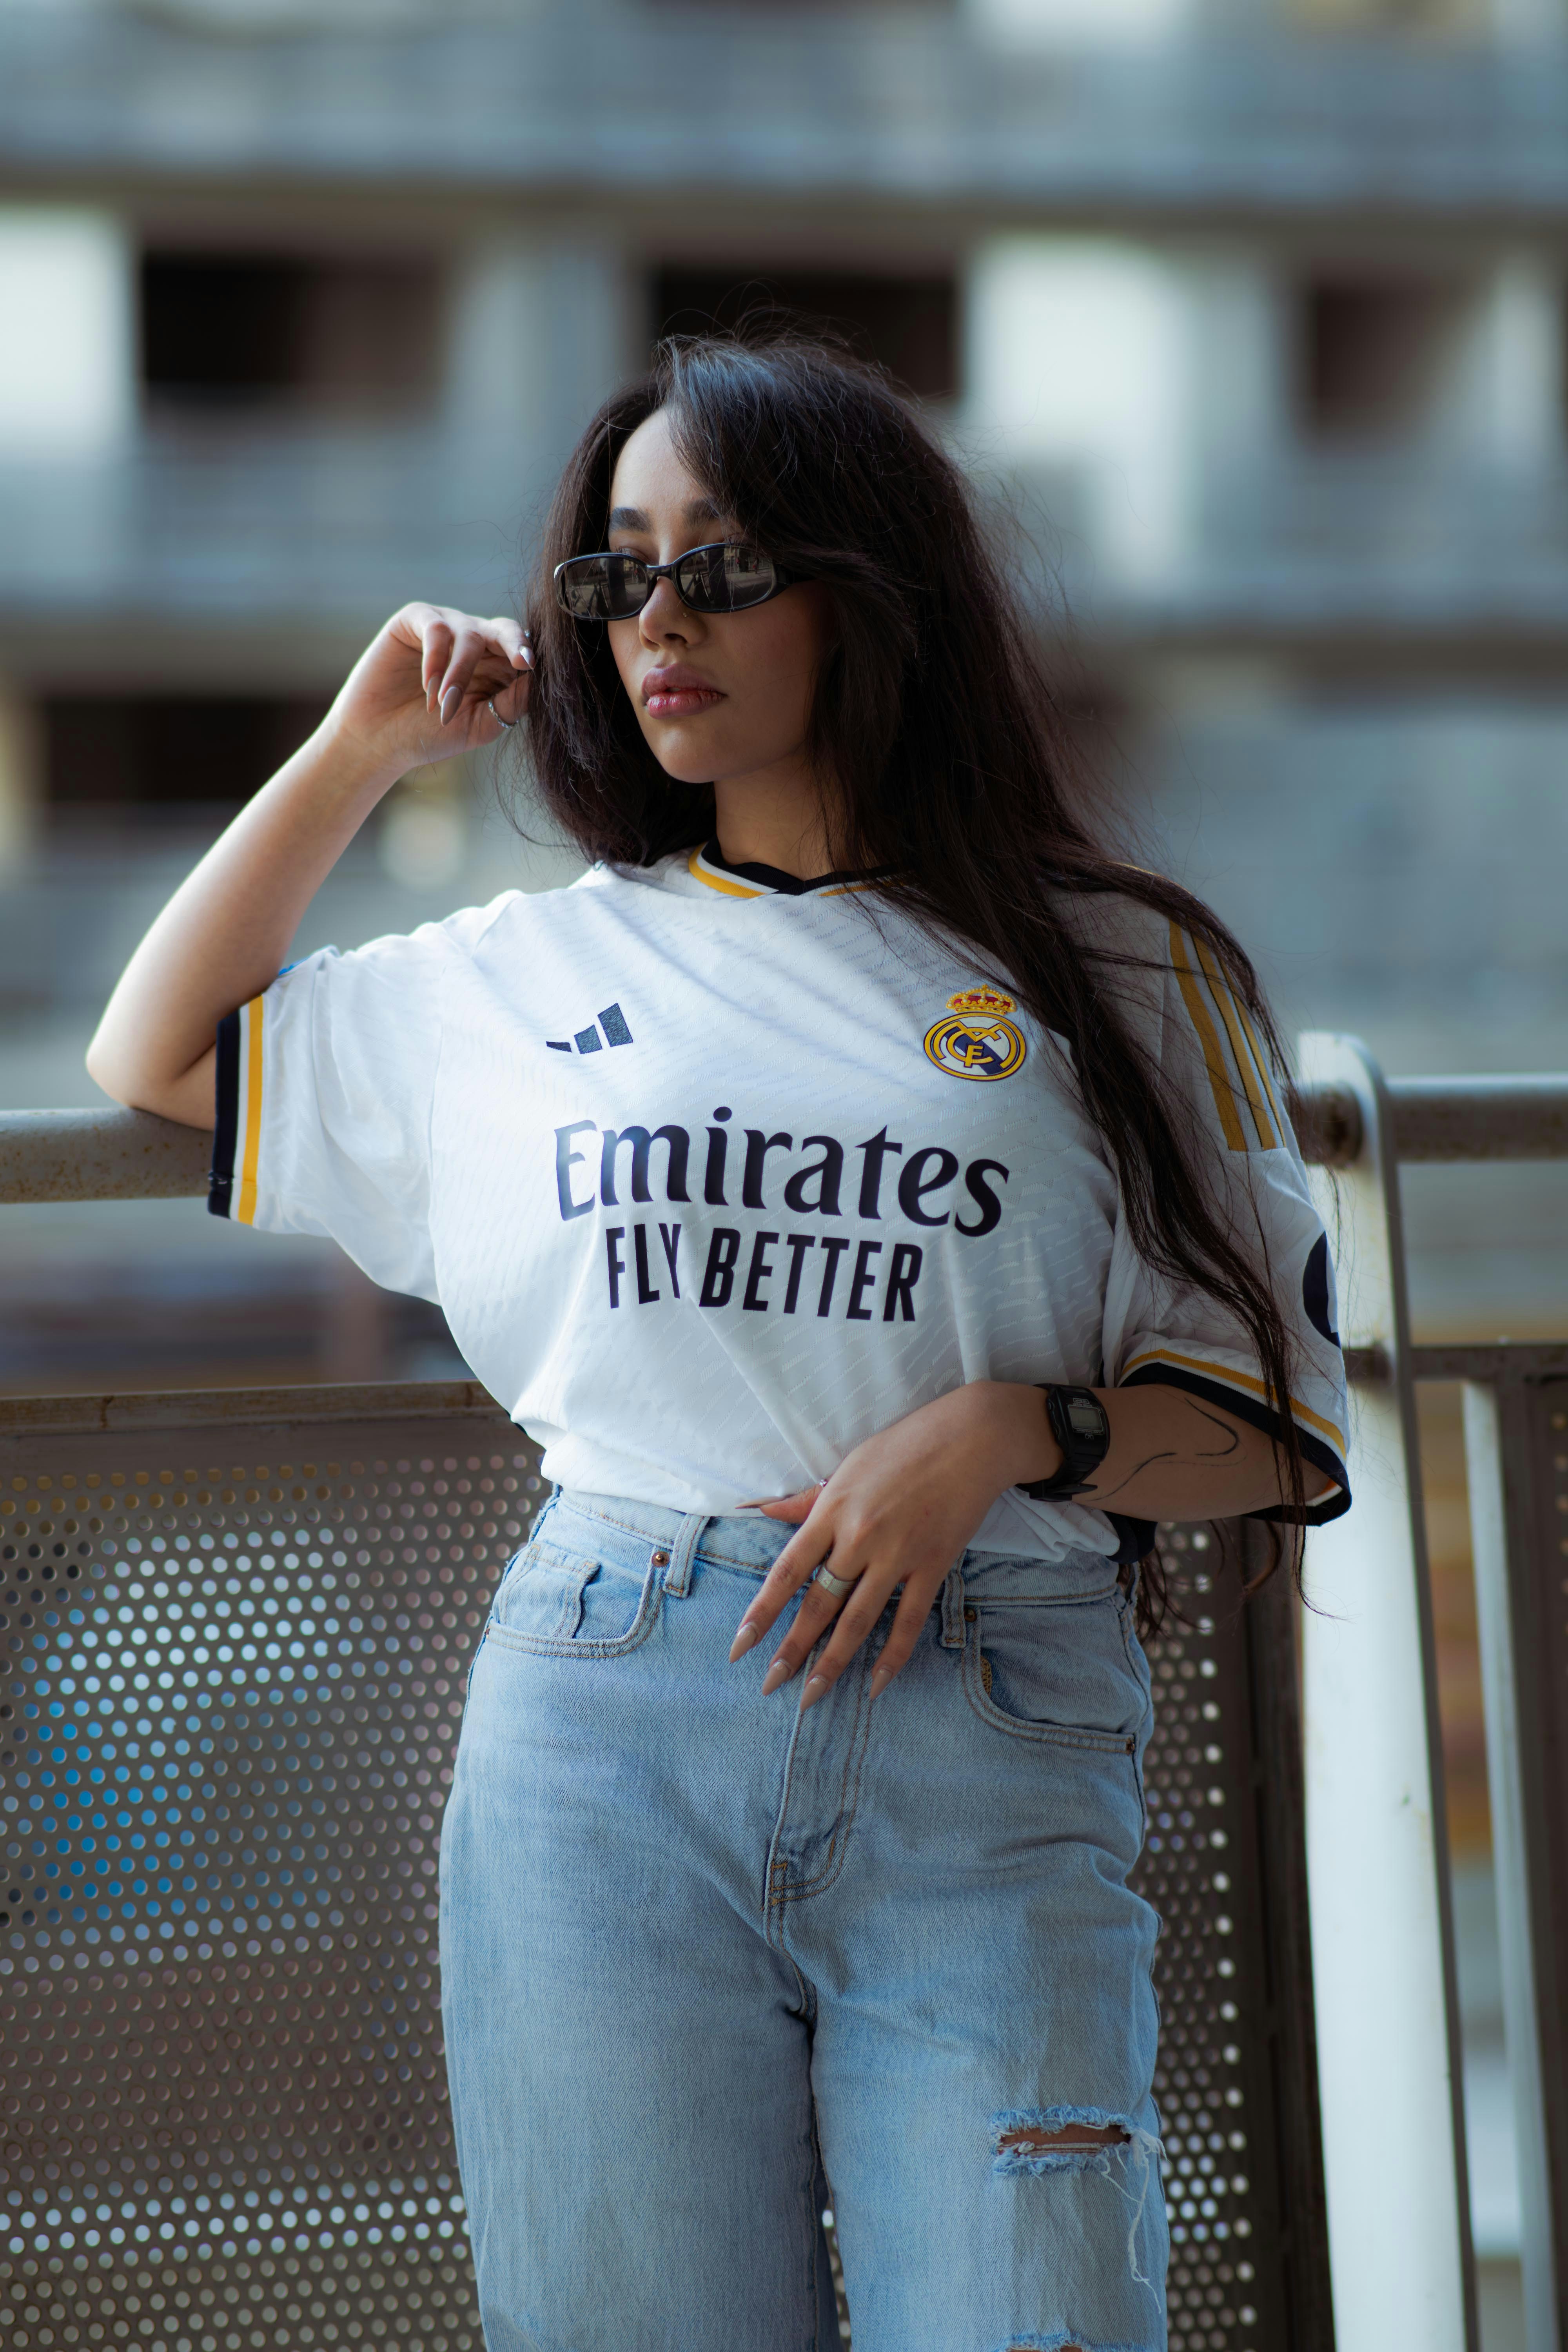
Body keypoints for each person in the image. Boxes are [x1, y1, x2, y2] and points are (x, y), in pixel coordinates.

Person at [87, 331, 1349, 2352]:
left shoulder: (1123, 960)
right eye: (618, 572)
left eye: (724, 564)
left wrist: (1019, 1430)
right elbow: (152, 1056)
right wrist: (354, 752)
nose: (655, 619)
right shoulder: (530, 971)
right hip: (606, 1726)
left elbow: (1280, 1420)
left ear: (871, 589)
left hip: (991, 1719)